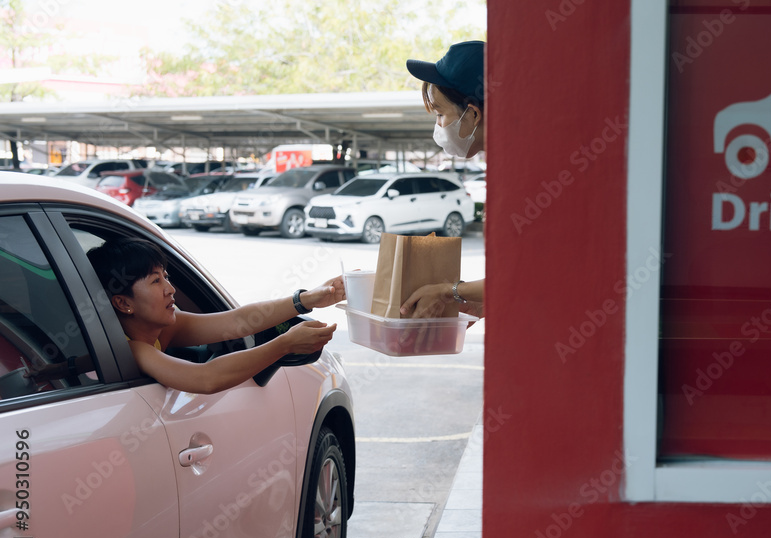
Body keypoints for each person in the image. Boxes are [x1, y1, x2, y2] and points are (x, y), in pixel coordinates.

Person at [86, 237, 344, 394]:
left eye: (166, 276)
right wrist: (284, 344)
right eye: (155, 281)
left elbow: (238, 321)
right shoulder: (132, 350)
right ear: (123, 302)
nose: (170, 289)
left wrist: (307, 299)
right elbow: (206, 379)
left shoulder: (166, 327)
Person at [400, 40, 486, 320]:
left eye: (439, 114)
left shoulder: (522, 176)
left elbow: (529, 273)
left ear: (473, 114)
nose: (438, 126)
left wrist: (449, 291)